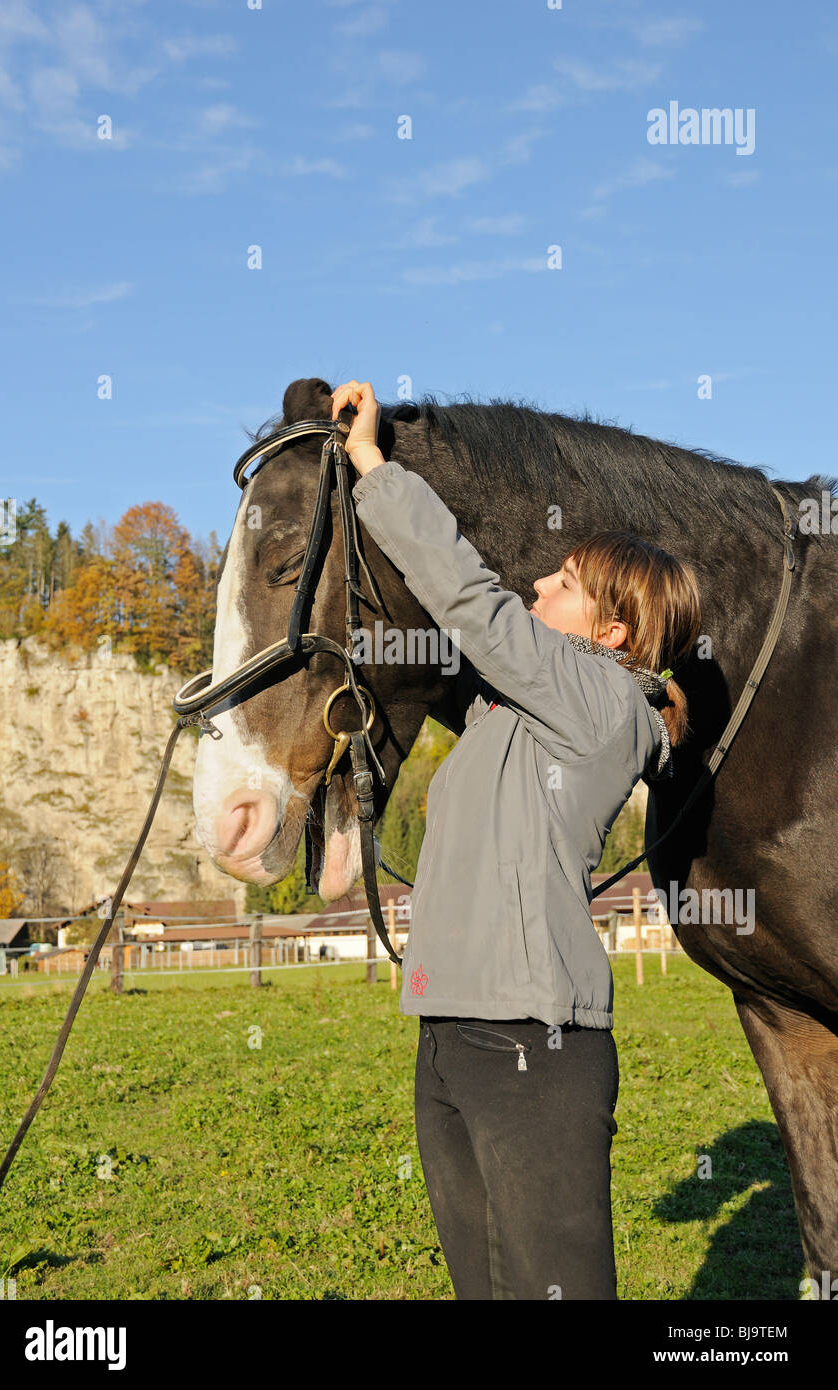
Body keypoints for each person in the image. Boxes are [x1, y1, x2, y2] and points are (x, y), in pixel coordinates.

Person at [331, 380, 702, 1301]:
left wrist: (375, 466)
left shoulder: (603, 700)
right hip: (449, 1031)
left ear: (612, 632)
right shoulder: (518, 710)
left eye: (563, 583)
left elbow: (468, 598)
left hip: (533, 1046)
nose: (537, 583)